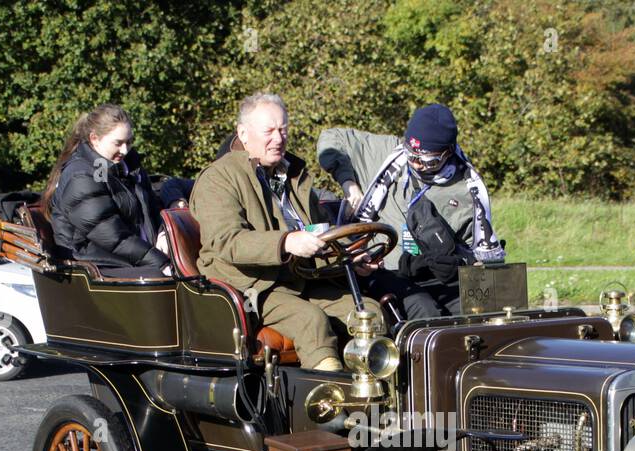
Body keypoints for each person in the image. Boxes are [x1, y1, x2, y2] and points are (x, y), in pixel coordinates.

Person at [190, 92, 379, 371]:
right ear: (243, 133)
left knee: (370, 313)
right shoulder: (218, 177)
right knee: (311, 321)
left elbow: (319, 234)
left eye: (283, 130)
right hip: (251, 285)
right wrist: (286, 242)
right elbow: (226, 241)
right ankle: (331, 406)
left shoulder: (294, 174)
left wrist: (351, 258)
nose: (278, 139)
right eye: (269, 131)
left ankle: (378, 399)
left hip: (302, 279)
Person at [317, 104, 504, 321]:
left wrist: (460, 262)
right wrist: (349, 183)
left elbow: (480, 257)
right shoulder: (385, 151)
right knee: (425, 313)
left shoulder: (468, 189)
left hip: (439, 275)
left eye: (427, 160)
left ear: (448, 153)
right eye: (411, 155)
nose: (416, 164)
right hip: (384, 269)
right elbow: (330, 139)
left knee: (486, 311)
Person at [43, 104, 171, 275]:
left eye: (129, 142)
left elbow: (151, 206)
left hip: (131, 257)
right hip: (96, 263)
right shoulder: (81, 176)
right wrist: (160, 262)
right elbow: (111, 236)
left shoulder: (116, 167)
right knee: (158, 277)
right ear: (94, 138)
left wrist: (165, 232)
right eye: (118, 143)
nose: (125, 150)